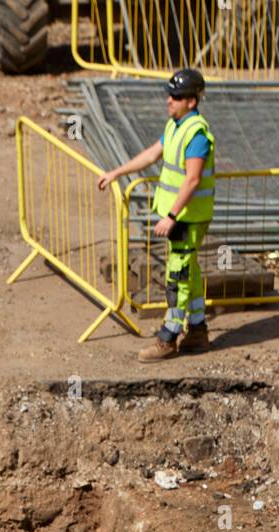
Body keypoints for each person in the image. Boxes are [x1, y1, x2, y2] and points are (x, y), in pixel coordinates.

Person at [98, 69, 215, 362]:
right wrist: (117, 172)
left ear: (192, 100)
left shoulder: (196, 133)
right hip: (179, 216)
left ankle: (169, 337)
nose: (169, 101)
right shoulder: (176, 125)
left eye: (175, 97)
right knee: (189, 270)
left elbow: (193, 179)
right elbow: (151, 155)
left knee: (177, 277)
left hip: (187, 218)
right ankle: (198, 329)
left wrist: (172, 216)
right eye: (169, 95)